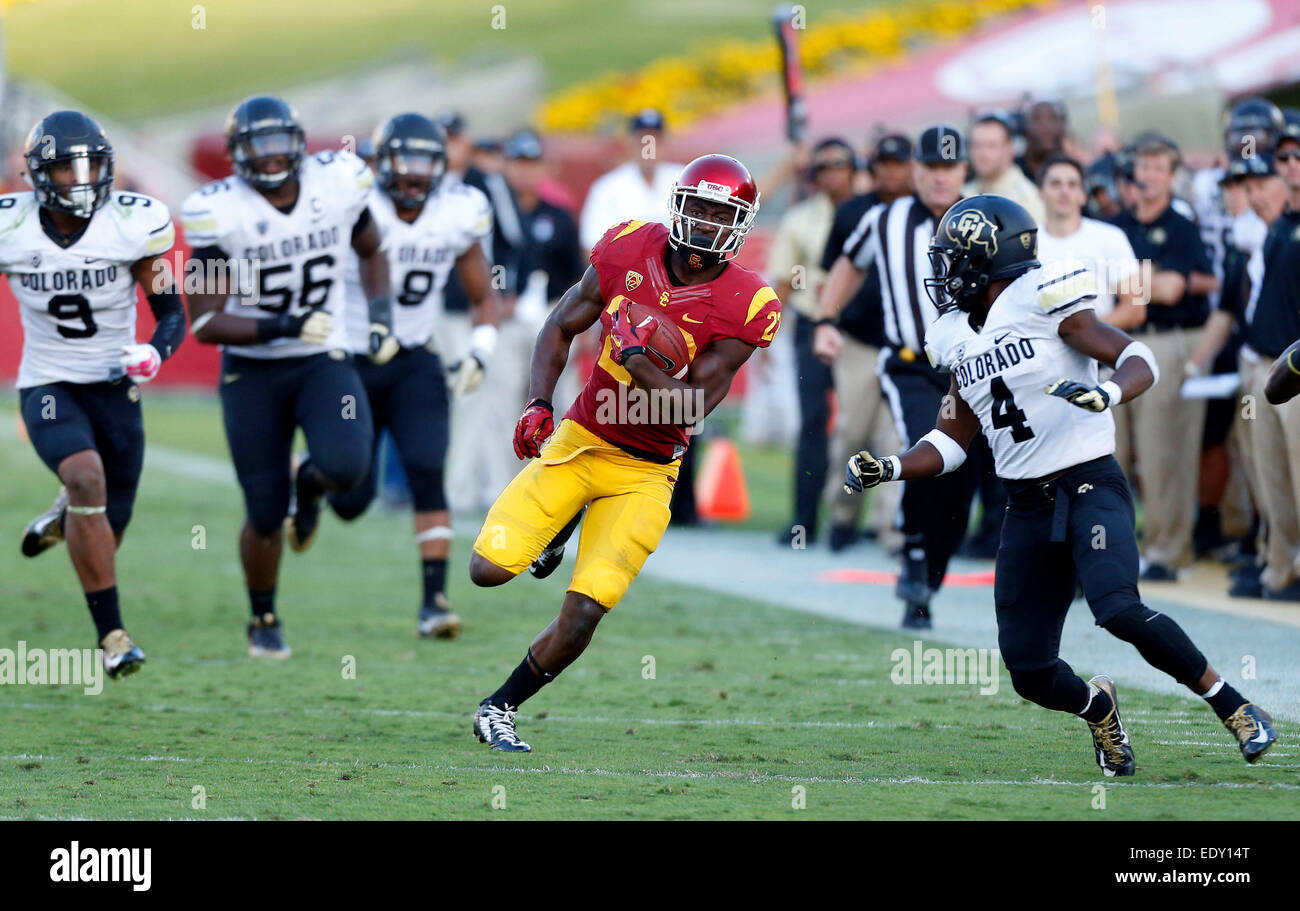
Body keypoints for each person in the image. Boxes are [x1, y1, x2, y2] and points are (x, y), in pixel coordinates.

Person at [843, 194, 1277, 775]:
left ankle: (1235, 705)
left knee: (1118, 608)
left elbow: (1137, 354)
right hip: (1025, 505)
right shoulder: (950, 334)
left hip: (1087, 481)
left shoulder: (1043, 297)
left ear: (987, 262)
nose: (943, 274)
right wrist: (892, 466)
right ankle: (1099, 707)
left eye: (954, 259)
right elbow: (950, 440)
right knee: (1028, 670)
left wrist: (1111, 392)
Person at [466, 155, 782, 752]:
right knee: (486, 572)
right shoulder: (628, 247)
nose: (710, 224)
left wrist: (638, 361)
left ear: (742, 224)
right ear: (678, 206)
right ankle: (563, 523)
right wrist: (538, 402)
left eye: (724, 214)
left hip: (647, 469)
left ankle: (500, 706)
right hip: (583, 440)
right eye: (701, 209)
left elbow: (687, 410)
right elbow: (559, 325)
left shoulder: (746, 301)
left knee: (585, 612)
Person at [182, 95, 393, 658]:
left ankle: (312, 485)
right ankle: (263, 615)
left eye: (280, 144)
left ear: (298, 145)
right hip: (252, 372)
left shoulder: (338, 184)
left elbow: (372, 248)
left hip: (321, 356)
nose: (272, 158)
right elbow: (205, 321)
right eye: (259, 147)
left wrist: (380, 318)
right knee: (263, 510)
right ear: (237, 155)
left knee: (348, 467)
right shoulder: (220, 212)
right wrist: (285, 322)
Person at [12, 111, 185, 678]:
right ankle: (112, 636)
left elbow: (170, 311)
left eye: (90, 165)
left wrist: (155, 352)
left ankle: (67, 514)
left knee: (112, 521)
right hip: (47, 382)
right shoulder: (14, 227)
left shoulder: (132, 225)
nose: (81, 179)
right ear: (41, 174)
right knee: (87, 478)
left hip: (114, 386)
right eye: (66, 168)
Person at [326, 113, 502, 637]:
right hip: (352, 357)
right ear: (380, 162)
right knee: (351, 498)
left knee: (428, 467)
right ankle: (308, 479)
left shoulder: (459, 209)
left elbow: (481, 294)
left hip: (415, 358)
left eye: (425, 162)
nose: (414, 174)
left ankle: (435, 602)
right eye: (404, 161)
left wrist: (481, 350)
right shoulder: (358, 204)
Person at [814, 124, 985, 629]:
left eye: (948, 168)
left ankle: (931, 566)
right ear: (916, 170)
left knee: (964, 475)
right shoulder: (884, 219)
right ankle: (911, 548)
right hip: (910, 364)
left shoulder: (984, 215)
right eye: (930, 167)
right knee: (924, 447)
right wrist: (826, 319)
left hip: (974, 369)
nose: (939, 177)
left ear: (963, 171)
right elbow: (849, 264)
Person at [1109, 135, 1217, 581]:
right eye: (1143, 165)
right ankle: (1117, 547)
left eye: (1159, 166)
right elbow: (1132, 282)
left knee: (1162, 451)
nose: (1149, 174)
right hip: (1115, 340)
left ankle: (1167, 550)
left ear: (1172, 176)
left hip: (1163, 340)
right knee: (1114, 452)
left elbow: (1174, 288)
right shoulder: (1117, 226)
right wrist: (1146, 278)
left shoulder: (1180, 224)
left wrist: (1129, 278)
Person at [818, 134, 911, 552]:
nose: (892, 171)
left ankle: (891, 527)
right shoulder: (854, 212)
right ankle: (843, 515)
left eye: (899, 162)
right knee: (852, 434)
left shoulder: (928, 215)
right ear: (873, 167)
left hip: (906, 345)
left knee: (899, 440)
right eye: (885, 163)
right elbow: (831, 272)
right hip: (858, 340)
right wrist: (827, 321)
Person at [767, 137, 859, 546]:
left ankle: (850, 520)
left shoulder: (871, 213)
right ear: (815, 175)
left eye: (840, 164)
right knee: (812, 421)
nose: (833, 172)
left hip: (861, 325)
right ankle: (804, 518)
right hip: (810, 320)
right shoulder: (800, 219)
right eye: (824, 166)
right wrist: (765, 338)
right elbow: (784, 282)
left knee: (860, 425)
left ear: (853, 169)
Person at [578, 109, 683, 253]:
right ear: (631, 143)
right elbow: (592, 246)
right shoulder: (607, 187)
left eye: (655, 141)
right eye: (643, 141)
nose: (649, 148)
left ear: (665, 143)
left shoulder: (684, 179)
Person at [965, 112, 1045, 225]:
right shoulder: (964, 193)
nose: (983, 154)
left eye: (992, 146)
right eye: (977, 145)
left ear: (1009, 149)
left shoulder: (1028, 199)